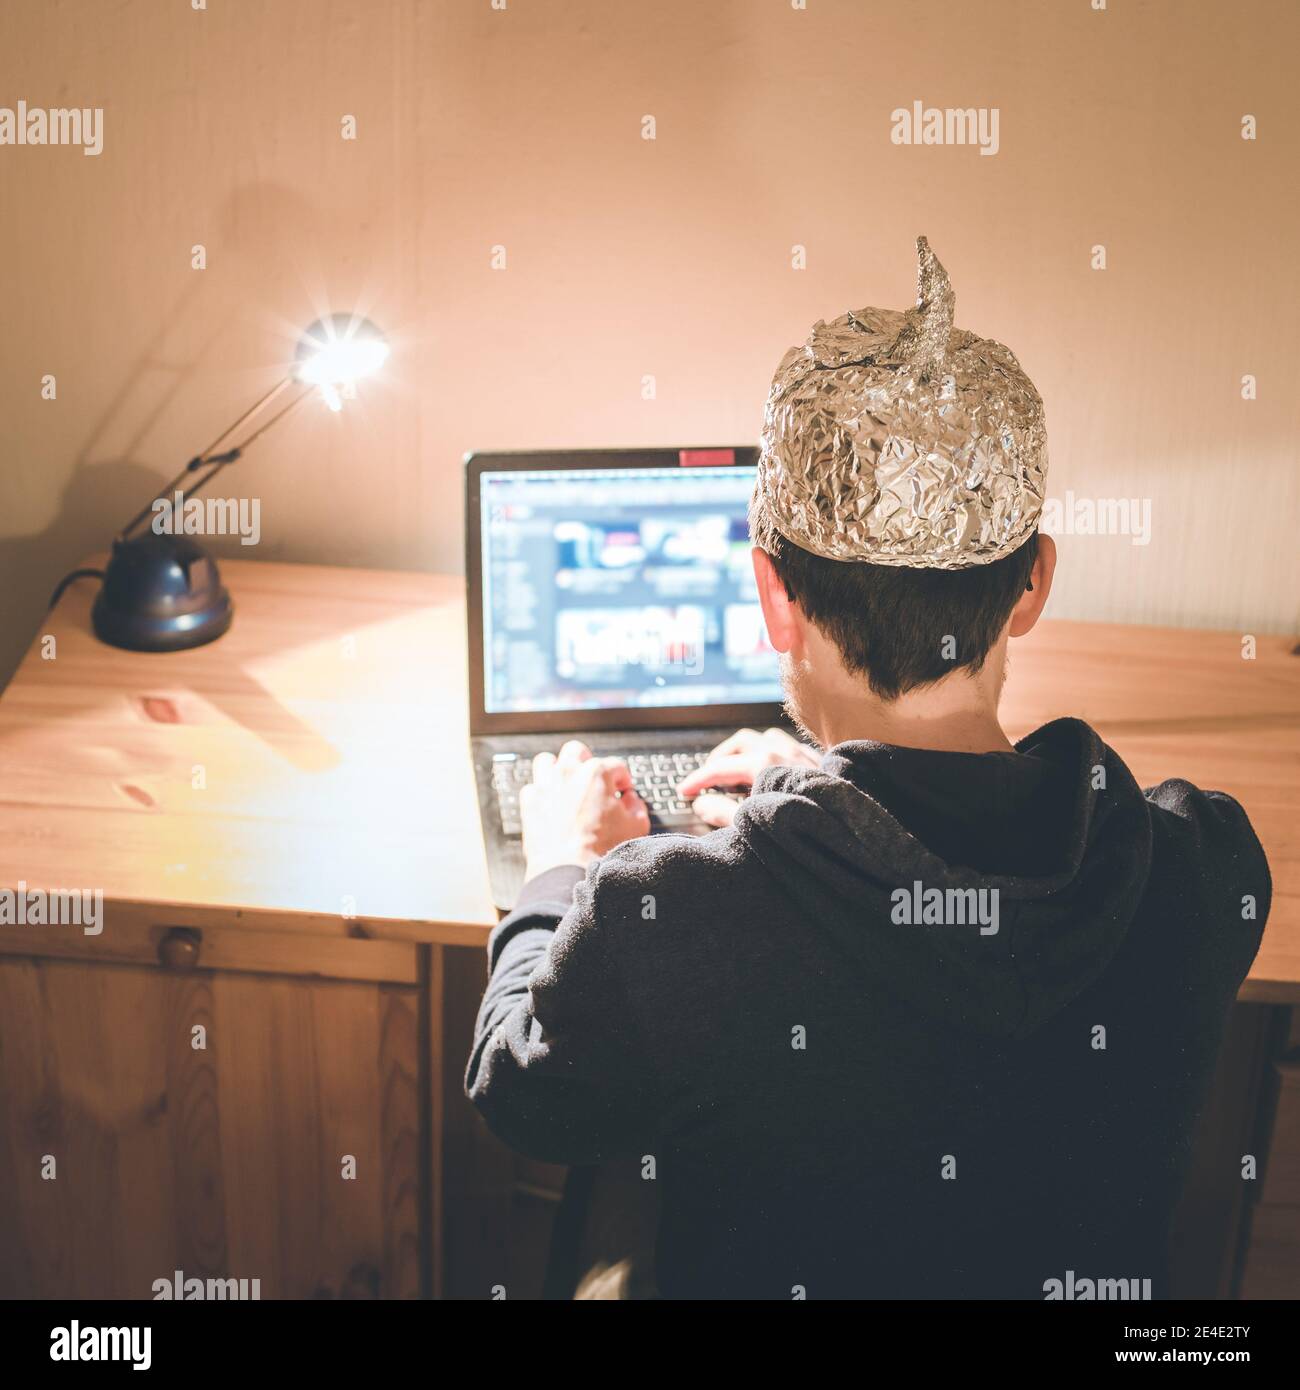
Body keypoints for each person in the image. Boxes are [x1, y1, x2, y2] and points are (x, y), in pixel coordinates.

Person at [465, 238, 1269, 1299]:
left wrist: (562, 869)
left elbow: (521, 1094)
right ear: (1032, 586)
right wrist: (820, 795)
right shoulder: (1202, 867)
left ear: (772, 598)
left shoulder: (669, 919)